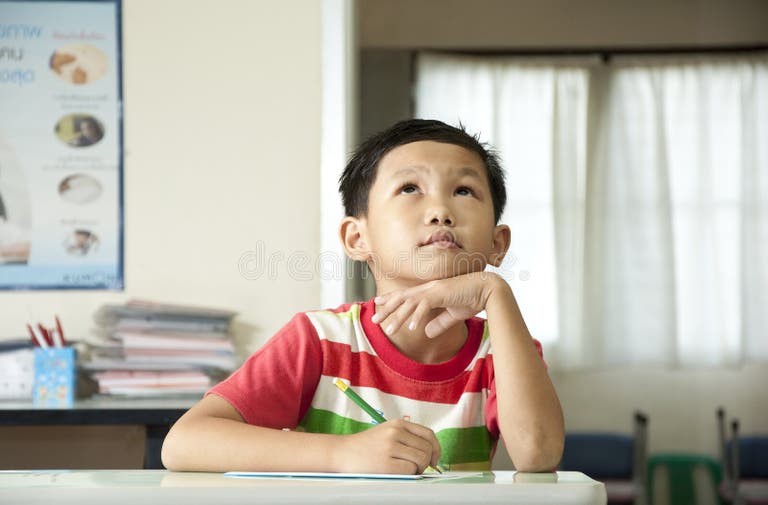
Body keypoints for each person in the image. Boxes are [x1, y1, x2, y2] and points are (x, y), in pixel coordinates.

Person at [161, 119, 564, 474]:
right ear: (358, 238)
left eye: (463, 191)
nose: (441, 211)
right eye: (410, 188)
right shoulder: (318, 339)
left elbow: (539, 454)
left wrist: (496, 292)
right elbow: (185, 443)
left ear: (498, 243)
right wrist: (344, 454)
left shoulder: (506, 350)